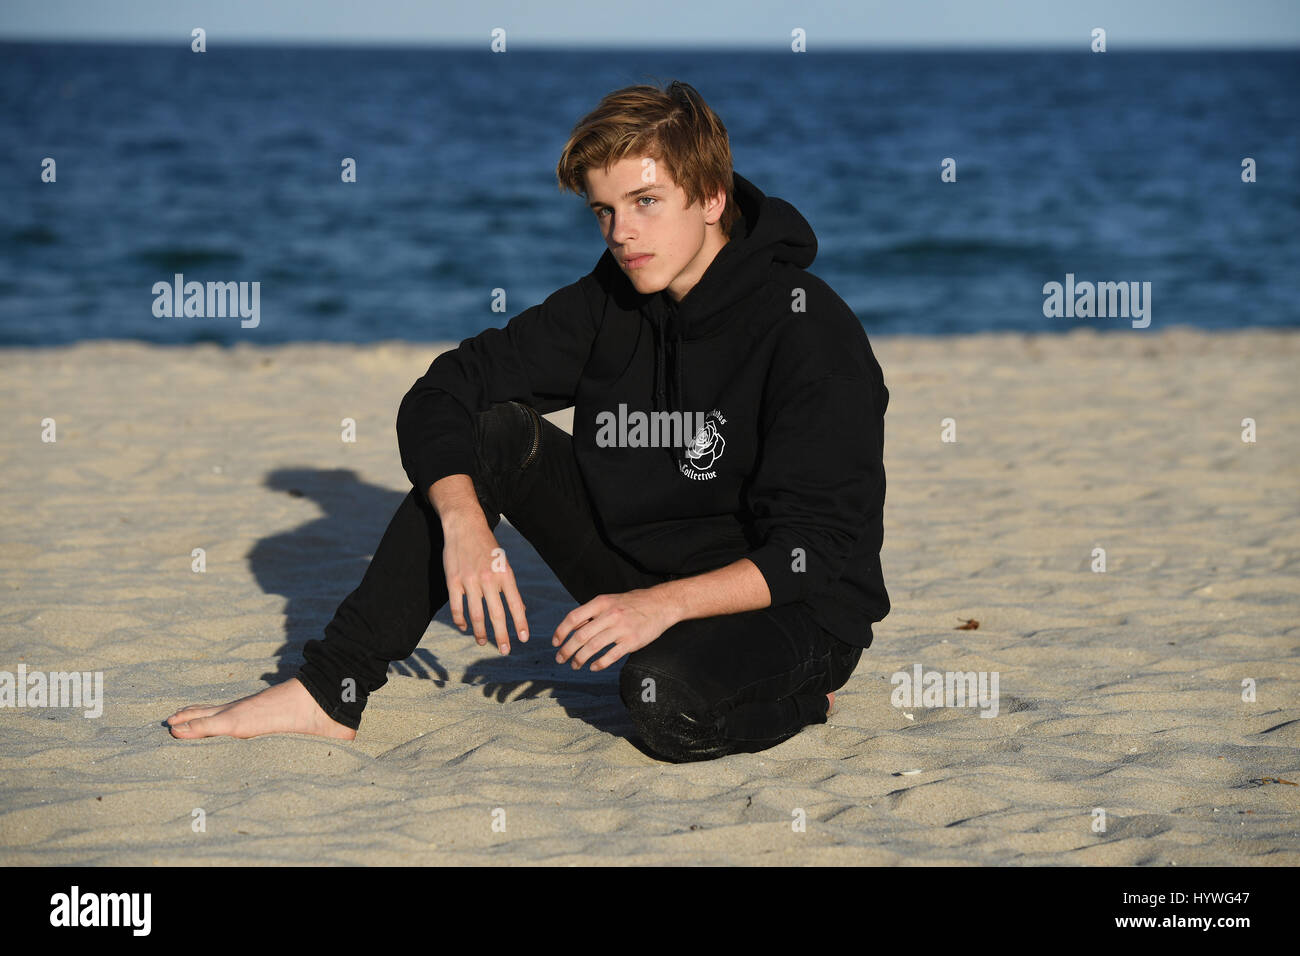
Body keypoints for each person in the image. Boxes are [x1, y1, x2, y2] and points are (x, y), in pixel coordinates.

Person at [168, 79, 890, 762]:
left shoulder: (807, 329)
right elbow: (446, 389)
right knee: (491, 434)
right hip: (637, 571)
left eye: (645, 202)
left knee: (660, 699)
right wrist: (464, 524)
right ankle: (331, 693)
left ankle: (806, 701)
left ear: (709, 197)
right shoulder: (614, 299)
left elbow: (814, 550)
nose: (622, 233)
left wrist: (656, 608)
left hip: (790, 605)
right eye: (604, 211)